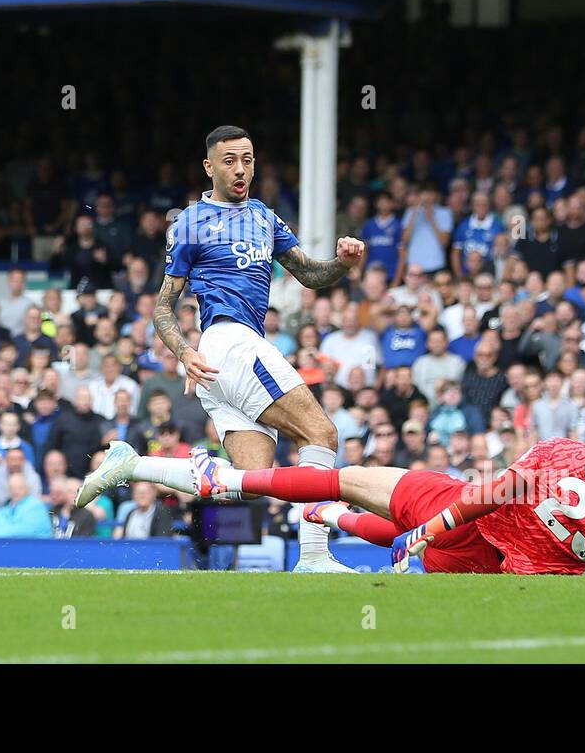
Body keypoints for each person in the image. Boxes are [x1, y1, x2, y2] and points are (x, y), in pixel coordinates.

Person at [75, 125, 366, 573]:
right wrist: (183, 351)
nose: (240, 168)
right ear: (209, 167)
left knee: (250, 481)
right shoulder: (190, 221)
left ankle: (131, 466)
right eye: (230, 160)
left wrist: (342, 264)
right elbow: (163, 308)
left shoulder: (266, 217)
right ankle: (313, 556)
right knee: (322, 435)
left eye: (247, 159)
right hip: (226, 343)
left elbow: (310, 275)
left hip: (233, 355)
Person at [189, 405, 585, 576]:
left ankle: (228, 479)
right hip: (491, 574)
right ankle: (333, 517)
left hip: (463, 523)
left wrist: (432, 527)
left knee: (347, 477)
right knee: (398, 525)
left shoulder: (561, 451)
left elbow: (492, 493)